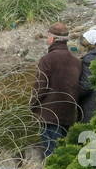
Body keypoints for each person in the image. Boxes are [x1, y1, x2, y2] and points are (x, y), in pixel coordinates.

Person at [30, 22, 87, 157]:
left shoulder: (47, 59)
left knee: (51, 156)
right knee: (63, 156)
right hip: (68, 116)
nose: (46, 39)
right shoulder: (77, 61)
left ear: (52, 38)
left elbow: (40, 87)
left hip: (49, 115)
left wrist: (32, 105)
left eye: (48, 36)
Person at [78, 28, 96, 121]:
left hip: (92, 106)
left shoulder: (89, 60)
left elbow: (86, 86)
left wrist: (72, 95)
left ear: (87, 46)